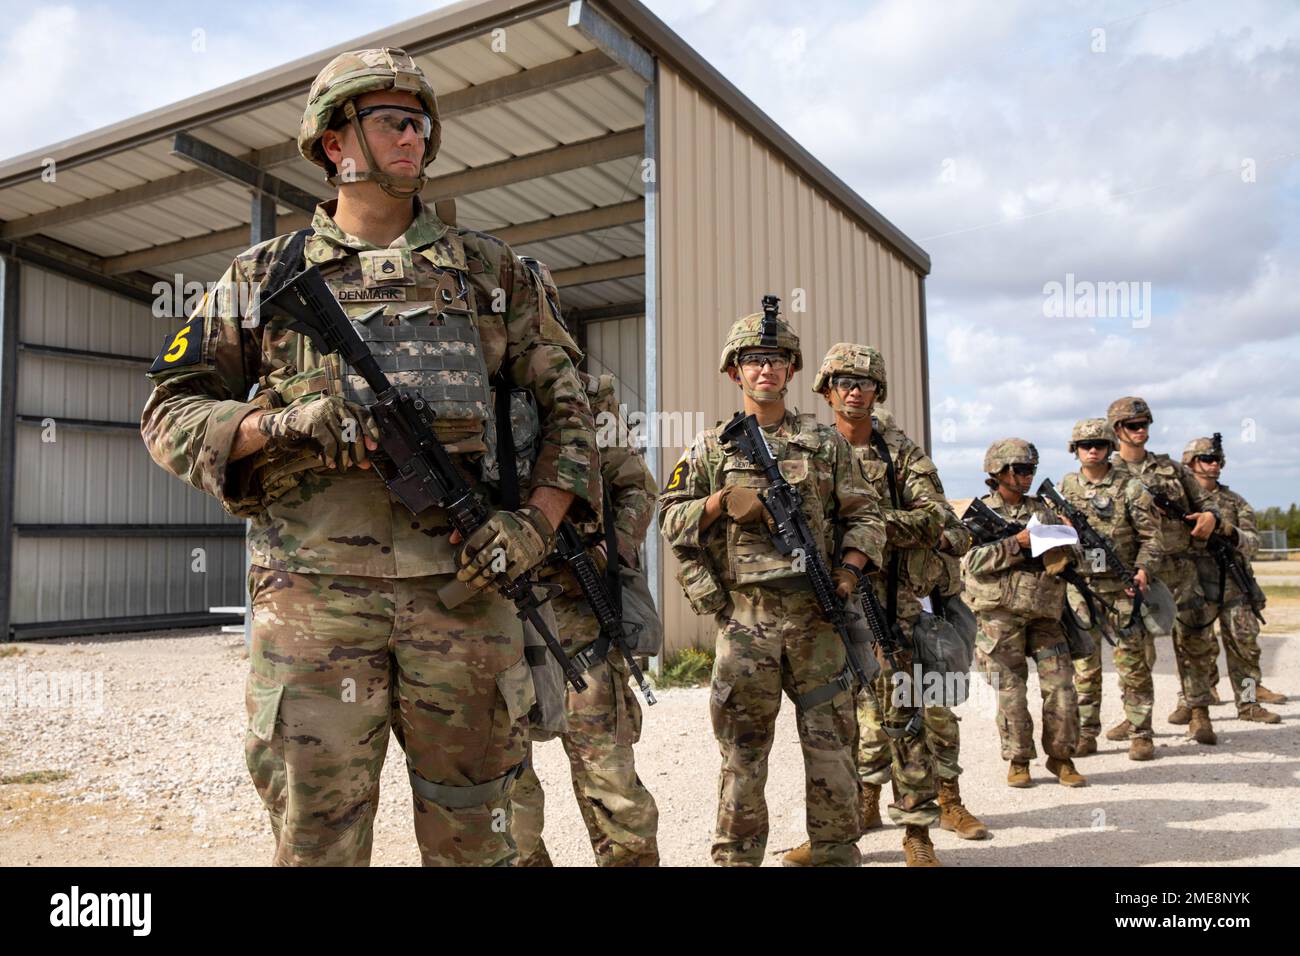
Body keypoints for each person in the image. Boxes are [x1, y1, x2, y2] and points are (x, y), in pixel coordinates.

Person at [140, 48, 599, 865]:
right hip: (312, 605)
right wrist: (277, 427)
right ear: (333, 143)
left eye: (419, 121)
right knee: (317, 838)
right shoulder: (259, 279)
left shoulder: (494, 274)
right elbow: (167, 412)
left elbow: (574, 413)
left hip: (466, 593)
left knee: (481, 837)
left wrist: (534, 527)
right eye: (389, 120)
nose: (412, 136)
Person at [658, 306, 885, 867]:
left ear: (791, 370)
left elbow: (866, 515)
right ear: (735, 372)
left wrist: (850, 570)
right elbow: (669, 519)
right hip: (746, 620)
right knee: (742, 755)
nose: (765, 370)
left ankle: (836, 854)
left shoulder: (825, 444)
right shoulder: (712, 448)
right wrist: (717, 503)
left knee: (833, 746)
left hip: (818, 615)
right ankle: (736, 859)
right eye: (753, 360)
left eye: (776, 360)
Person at [786, 344, 983, 868]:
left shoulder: (900, 453)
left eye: (865, 383)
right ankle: (838, 834)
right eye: (844, 382)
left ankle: (918, 831)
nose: (854, 391)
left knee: (905, 720)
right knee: (835, 726)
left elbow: (942, 522)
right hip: (827, 606)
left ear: (879, 393)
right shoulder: (808, 445)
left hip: (891, 608)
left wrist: (865, 529)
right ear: (826, 389)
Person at [509, 260, 660, 865]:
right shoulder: (463, 397)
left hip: (578, 607)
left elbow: (636, 488)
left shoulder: (590, 394)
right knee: (503, 791)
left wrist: (610, 549)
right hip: (494, 608)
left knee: (611, 782)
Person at [963, 439, 1087, 788]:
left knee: (1061, 686)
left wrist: (1068, 542)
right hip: (999, 617)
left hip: (1046, 614)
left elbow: (1077, 557)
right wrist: (1016, 544)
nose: (1026, 476)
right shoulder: (979, 514)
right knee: (1010, 691)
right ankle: (1019, 759)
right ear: (997, 472)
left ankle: (1061, 757)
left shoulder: (1045, 512)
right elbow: (970, 562)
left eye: (1030, 469)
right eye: (1019, 469)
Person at [1106, 397, 1219, 744]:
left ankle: (1199, 713)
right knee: (1133, 650)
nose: (1140, 431)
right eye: (1132, 425)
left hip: (1180, 567)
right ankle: (1136, 718)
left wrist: (1210, 517)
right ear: (1116, 430)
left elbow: (1206, 503)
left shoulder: (1171, 469)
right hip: (1134, 574)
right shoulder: (1106, 474)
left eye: (1144, 424)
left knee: (1194, 641)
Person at [1058, 418, 1163, 760]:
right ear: (1075, 451)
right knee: (1085, 666)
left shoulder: (1130, 488)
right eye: (1085, 445)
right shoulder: (1066, 487)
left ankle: (1141, 732)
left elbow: (1151, 537)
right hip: (1083, 587)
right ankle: (1087, 732)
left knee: (1132, 662)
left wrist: (1144, 568)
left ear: (1109, 448)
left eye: (1099, 445)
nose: (1092, 451)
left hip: (1122, 588)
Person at [1181, 436, 1283, 723]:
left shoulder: (1235, 502)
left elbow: (1253, 542)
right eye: (1207, 459)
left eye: (1218, 460)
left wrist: (1230, 531)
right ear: (1190, 463)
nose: (1214, 465)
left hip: (1233, 587)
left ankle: (1249, 703)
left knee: (1244, 649)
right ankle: (1191, 703)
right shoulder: (1180, 501)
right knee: (1192, 649)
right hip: (1193, 586)